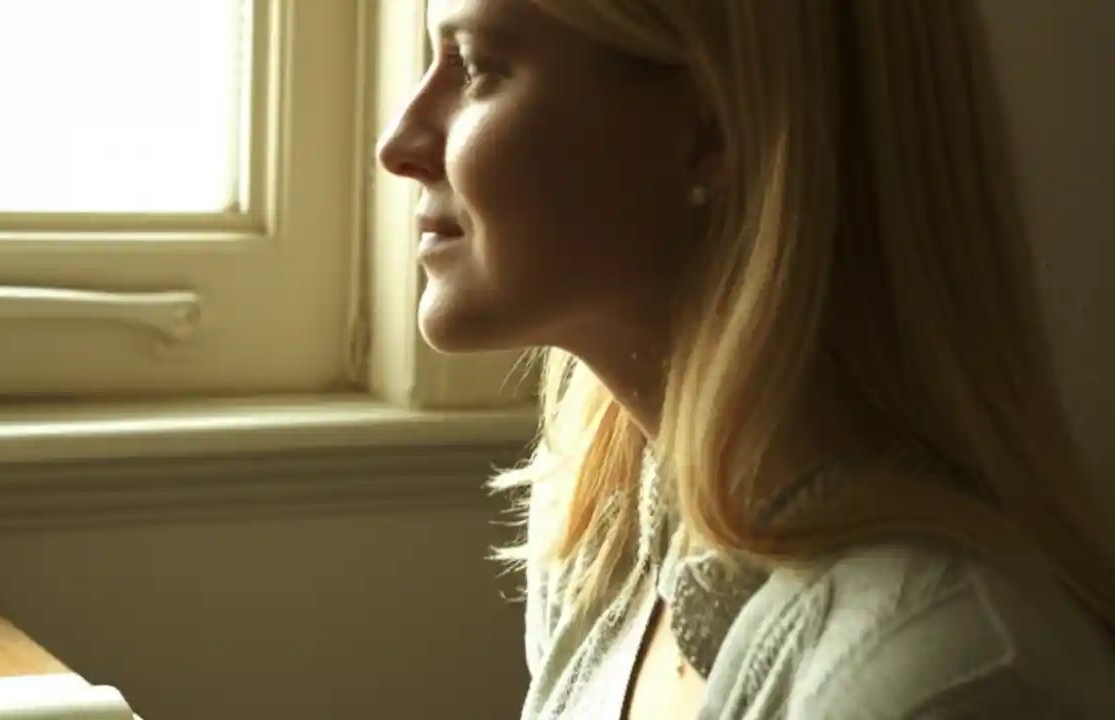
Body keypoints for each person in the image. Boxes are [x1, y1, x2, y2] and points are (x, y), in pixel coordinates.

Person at [377, 0, 1115, 718]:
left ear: (709, 127)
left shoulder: (943, 683)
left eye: (474, 66)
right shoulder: (608, 543)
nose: (399, 143)